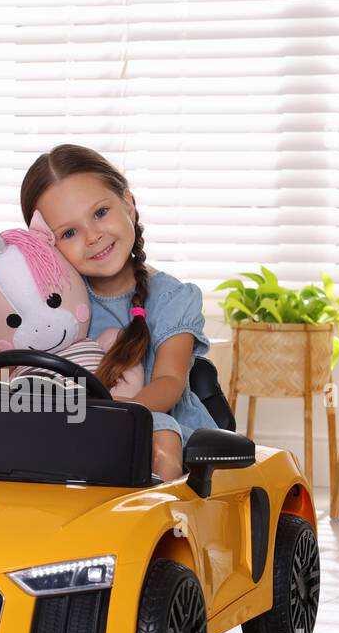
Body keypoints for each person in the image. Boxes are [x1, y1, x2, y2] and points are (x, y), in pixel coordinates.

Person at [16, 143, 218, 481]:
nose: (93, 236)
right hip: (70, 431)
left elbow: (169, 380)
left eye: (99, 213)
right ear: (47, 246)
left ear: (128, 203)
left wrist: (113, 418)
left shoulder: (170, 299)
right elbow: (0, 349)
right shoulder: (53, 304)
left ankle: (157, 519)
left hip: (150, 423)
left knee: (159, 435)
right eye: (69, 232)